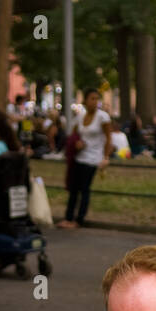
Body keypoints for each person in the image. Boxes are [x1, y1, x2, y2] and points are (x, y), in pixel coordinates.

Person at [58, 89, 114, 229]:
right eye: (92, 99)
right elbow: (74, 134)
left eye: (97, 99)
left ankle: (79, 219)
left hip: (93, 158)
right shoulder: (81, 116)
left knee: (84, 188)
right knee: (73, 188)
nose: (95, 102)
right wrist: (76, 143)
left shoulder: (103, 117)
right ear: (85, 101)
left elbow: (108, 138)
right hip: (79, 157)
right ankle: (68, 217)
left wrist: (106, 157)